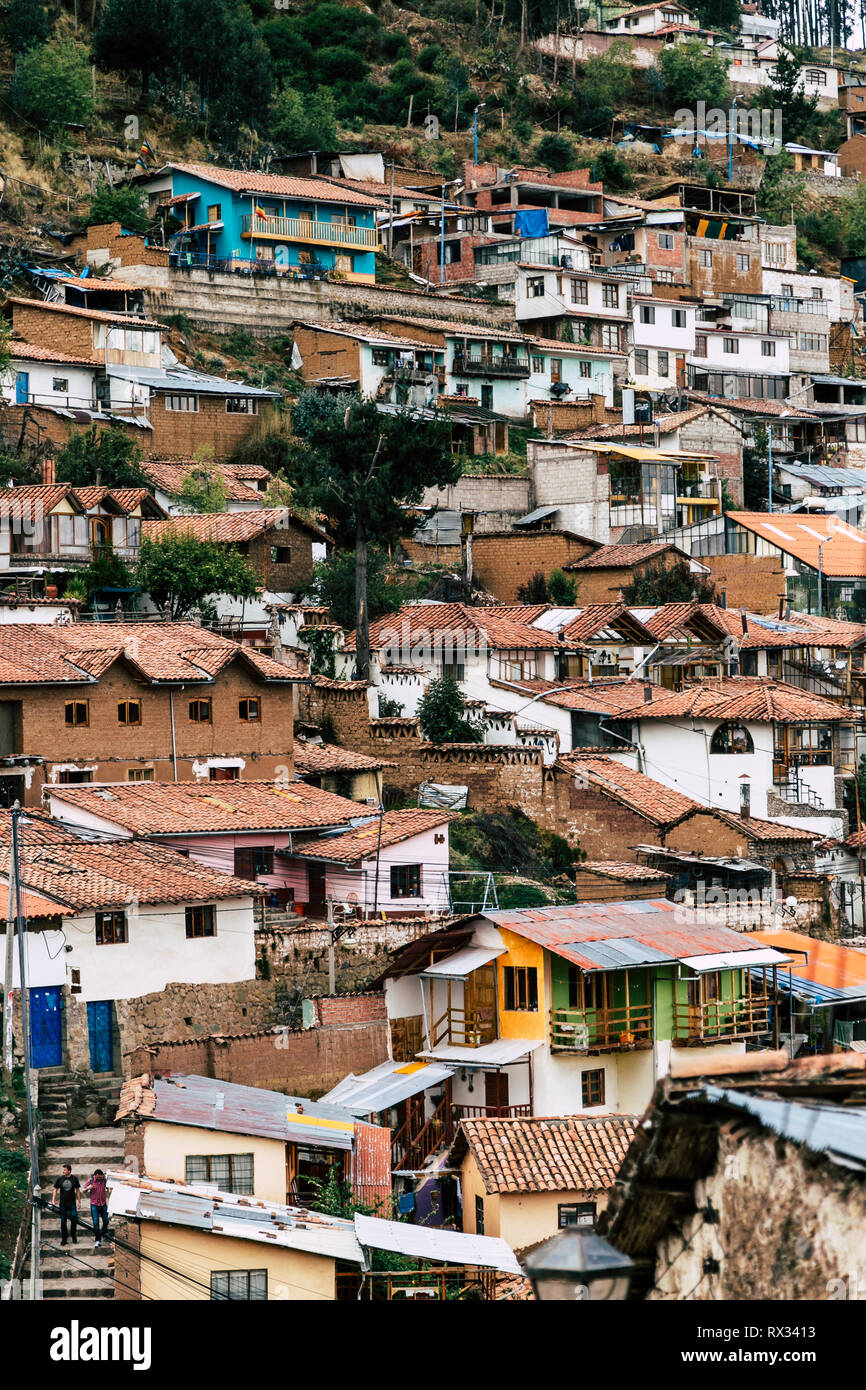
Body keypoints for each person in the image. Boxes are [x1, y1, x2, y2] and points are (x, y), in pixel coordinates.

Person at [53, 1164, 81, 1247]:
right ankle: (64, 1239)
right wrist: (53, 1200)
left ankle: (73, 1236)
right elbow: (55, 1189)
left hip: (72, 1204)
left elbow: (78, 1190)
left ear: (69, 1171)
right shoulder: (60, 1179)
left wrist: (79, 1202)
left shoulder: (74, 1179)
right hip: (63, 1204)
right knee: (63, 1223)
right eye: (63, 1170)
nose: (63, 1171)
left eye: (65, 1170)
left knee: (74, 1221)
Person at [83, 1168, 110, 1247]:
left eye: (100, 1177)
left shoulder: (104, 1180)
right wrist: (88, 1188)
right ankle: (98, 1240)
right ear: (95, 1176)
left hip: (103, 1204)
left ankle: (103, 1233)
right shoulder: (91, 1180)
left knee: (106, 1221)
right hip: (94, 1205)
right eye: (97, 1177)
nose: (99, 1179)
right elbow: (84, 1190)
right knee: (95, 1223)